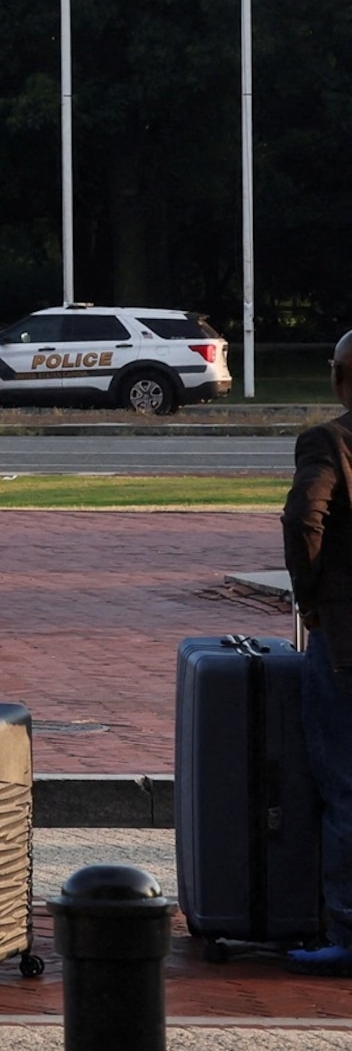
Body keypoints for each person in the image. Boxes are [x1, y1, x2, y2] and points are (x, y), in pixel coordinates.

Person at [280, 328, 352, 975]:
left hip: (345, 639)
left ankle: (347, 934)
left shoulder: (329, 440)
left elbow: (305, 517)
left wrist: (310, 600)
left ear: (338, 378)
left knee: (345, 784)